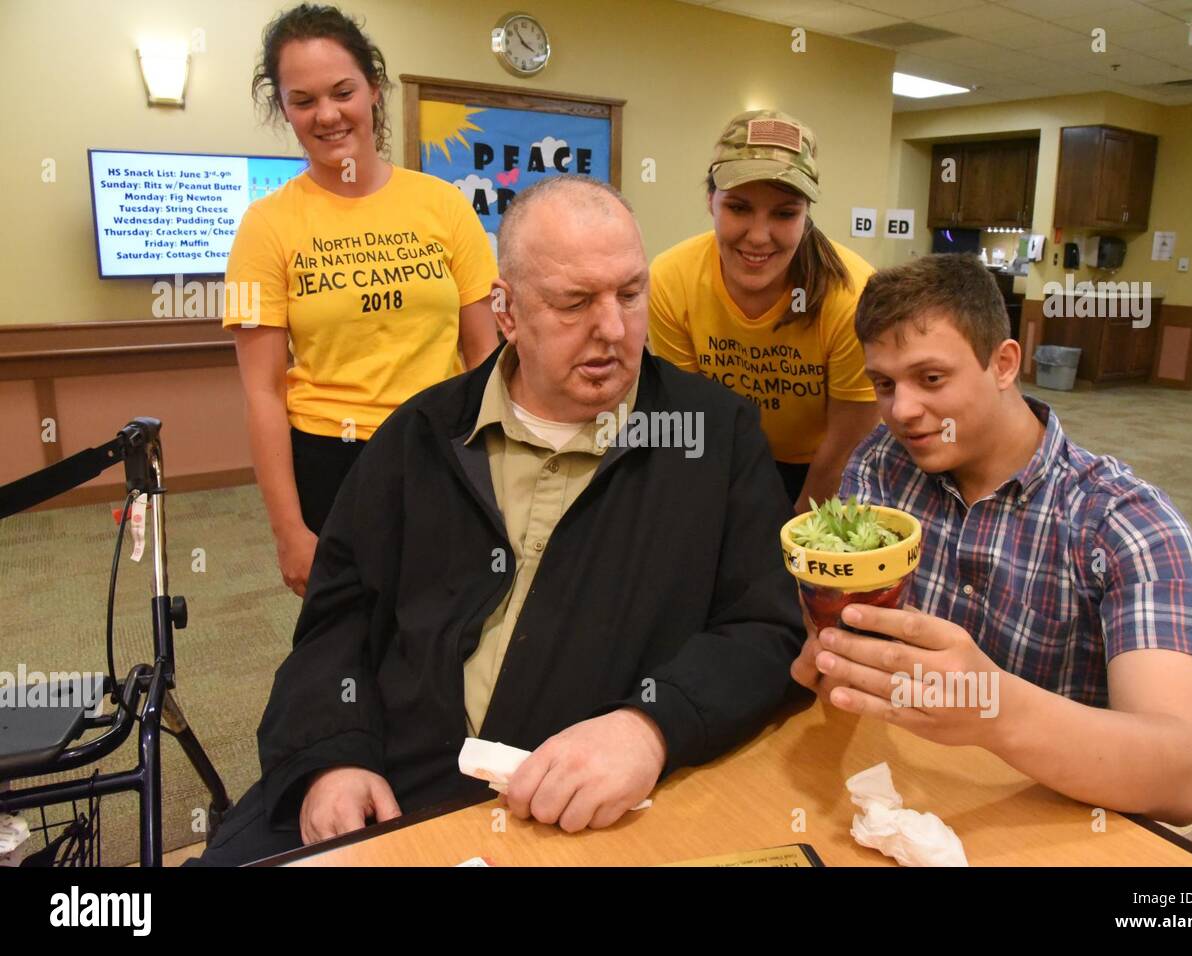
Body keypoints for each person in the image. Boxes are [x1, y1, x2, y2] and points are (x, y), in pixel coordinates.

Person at [192, 176, 804, 865]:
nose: (613, 329)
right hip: (395, 786)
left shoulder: (712, 437)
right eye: (575, 303)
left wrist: (650, 727)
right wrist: (331, 758)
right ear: (506, 312)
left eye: (630, 294)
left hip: (579, 810)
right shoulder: (418, 435)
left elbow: (764, 629)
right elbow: (337, 624)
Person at [791, 253, 1192, 826]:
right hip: (898, 793)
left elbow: (1185, 776)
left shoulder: (1128, 525)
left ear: (1003, 363)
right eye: (884, 383)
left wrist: (992, 708)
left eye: (931, 378)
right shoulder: (880, 466)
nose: (903, 410)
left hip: (1055, 822)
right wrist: (833, 650)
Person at [223, 4, 500, 596]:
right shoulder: (262, 227)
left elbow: (485, 358)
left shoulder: (446, 206)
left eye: (342, 91)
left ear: (374, 89)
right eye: (303, 100)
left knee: (451, 626)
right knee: (350, 642)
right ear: (284, 110)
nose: (327, 114)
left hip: (442, 448)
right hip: (331, 461)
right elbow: (261, 392)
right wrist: (288, 531)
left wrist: (498, 475)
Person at [649, 109, 879, 508]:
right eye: (738, 208)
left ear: (806, 214)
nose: (758, 237)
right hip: (725, 455)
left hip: (822, 467)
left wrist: (789, 540)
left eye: (785, 213)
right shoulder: (671, 278)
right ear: (711, 201)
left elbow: (844, 447)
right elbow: (690, 419)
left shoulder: (852, 295)